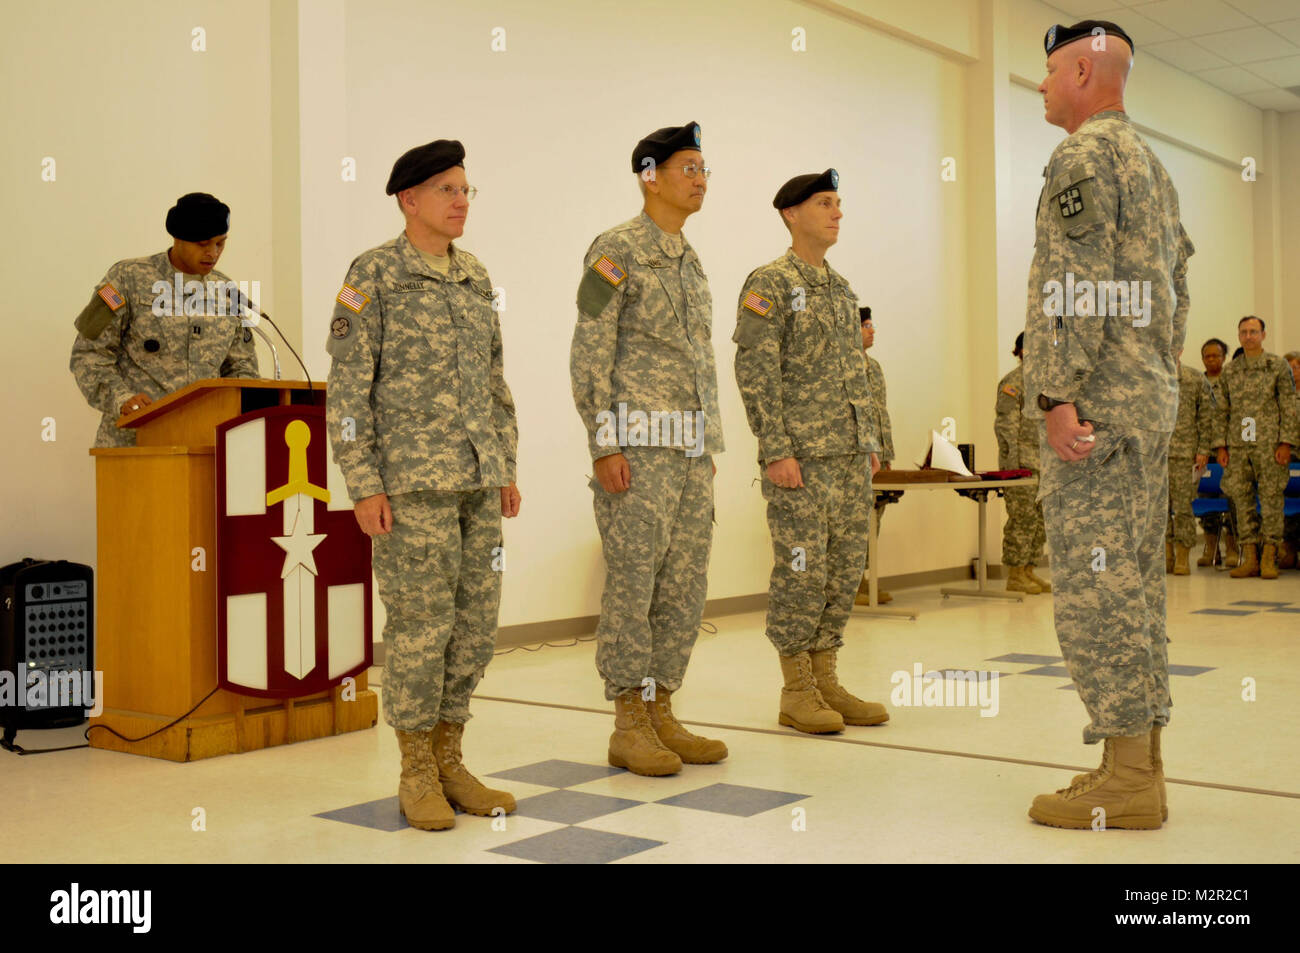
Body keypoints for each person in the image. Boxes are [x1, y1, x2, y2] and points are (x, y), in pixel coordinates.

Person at [1022, 19, 1194, 830]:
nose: (1045, 83)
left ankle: (1126, 778)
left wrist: (1056, 391)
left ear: (1087, 70)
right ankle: (1139, 763)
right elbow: (1179, 283)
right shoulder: (1153, 166)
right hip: (1144, 399)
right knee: (1135, 584)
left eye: (1053, 70)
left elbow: (1072, 284)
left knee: (1097, 590)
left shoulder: (1082, 157)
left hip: (1095, 411)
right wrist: (1155, 367)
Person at [326, 140, 521, 831]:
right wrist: (363, 483)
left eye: (466, 189)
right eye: (446, 189)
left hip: (476, 480)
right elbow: (348, 389)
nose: (462, 200)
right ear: (409, 200)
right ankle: (414, 770)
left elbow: (494, 382)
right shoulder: (373, 274)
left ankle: (450, 757)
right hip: (410, 487)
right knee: (420, 627)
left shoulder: (474, 275)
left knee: (474, 626)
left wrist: (505, 463)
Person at [569, 122, 727, 776]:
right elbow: (589, 348)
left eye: (703, 168)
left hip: (688, 451)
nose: (700, 178)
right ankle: (629, 720)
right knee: (635, 581)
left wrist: (706, 441)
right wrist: (604, 440)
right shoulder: (613, 252)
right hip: (635, 444)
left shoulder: (691, 260)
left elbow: (699, 358)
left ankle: (663, 707)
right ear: (649, 174)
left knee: (683, 583)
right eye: (688, 167)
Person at [733, 169, 888, 735]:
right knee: (801, 571)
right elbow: (754, 368)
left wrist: (867, 438)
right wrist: (775, 448)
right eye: (825, 203)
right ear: (790, 214)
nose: (837, 212)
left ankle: (826, 678)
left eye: (840, 203)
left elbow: (856, 372)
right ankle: (796, 688)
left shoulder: (842, 290)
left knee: (843, 569)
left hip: (848, 458)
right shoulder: (768, 283)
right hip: (799, 461)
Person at [69, 193, 259, 446]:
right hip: (136, 442)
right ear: (178, 238)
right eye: (203, 244)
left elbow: (242, 368)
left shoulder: (226, 291)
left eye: (220, 244)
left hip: (206, 446)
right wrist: (122, 398)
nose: (213, 253)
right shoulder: (127, 278)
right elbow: (89, 354)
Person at [1212, 316, 1300, 579]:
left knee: (1272, 499)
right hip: (1238, 447)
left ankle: (1270, 556)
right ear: (1238, 336)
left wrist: (1286, 442)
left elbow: (1288, 405)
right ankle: (1249, 556)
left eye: (1253, 331)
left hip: (1269, 444)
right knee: (1241, 500)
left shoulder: (1277, 366)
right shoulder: (1231, 370)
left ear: (1263, 334)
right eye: (1243, 332)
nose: (1248, 336)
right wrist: (1221, 446)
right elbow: (1222, 410)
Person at [994, 332, 1050, 595]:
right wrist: (1013, 468)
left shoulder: (1046, 384)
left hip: (1045, 463)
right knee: (1022, 519)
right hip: (1022, 465)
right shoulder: (1013, 383)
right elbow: (1006, 427)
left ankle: (1029, 569)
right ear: (1023, 351)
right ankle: (1015, 574)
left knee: (1040, 521)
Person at [854, 306, 897, 605]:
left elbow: (881, 414)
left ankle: (863, 577)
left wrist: (888, 454)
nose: (872, 330)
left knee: (873, 519)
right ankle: (851, 582)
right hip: (856, 459)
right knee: (855, 520)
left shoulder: (875, 367)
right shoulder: (844, 366)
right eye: (865, 325)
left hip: (878, 456)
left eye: (872, 324)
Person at [1165, 352, 1215, 574]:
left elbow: (1206, 417)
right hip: (1155, 456)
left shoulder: (1194, 379)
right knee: (1158, 509)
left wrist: (1204, 449)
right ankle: (1165, 554)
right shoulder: (1151, 377)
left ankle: (1182, 555)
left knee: (1184, 507)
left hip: (1186, 455)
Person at [1197, 338, 1233, 566]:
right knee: (1205, 498)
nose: (1212, 360)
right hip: (1203, 451)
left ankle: (1231, 546)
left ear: (1224, 357)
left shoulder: (1232, 381)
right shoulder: (1196, 382)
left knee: (1230, 499)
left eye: (1216, 356)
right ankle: (1211, 547)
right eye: (1207, 356)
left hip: (1227, 451)